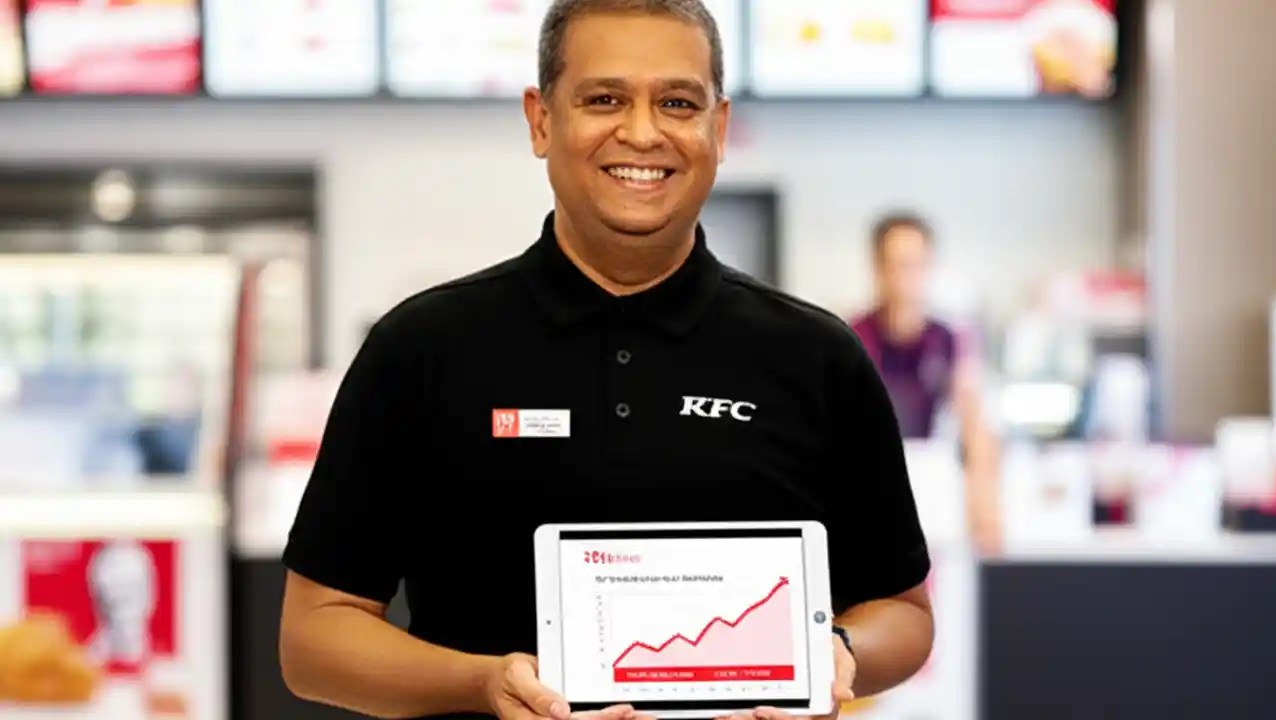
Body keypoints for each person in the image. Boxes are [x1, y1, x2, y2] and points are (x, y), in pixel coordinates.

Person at [278, 2, 934, 720]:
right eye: (604, 99)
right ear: (541, 120)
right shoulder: (421, 349)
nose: (643, 132)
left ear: (717, 128)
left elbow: (904, 613)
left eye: (678, 102)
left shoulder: (817, 358)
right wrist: (482, 684)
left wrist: (838, 650)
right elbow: (313, 637)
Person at [848, 214, 1002, 552]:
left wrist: (985, 509)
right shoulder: (852, 338)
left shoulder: (949, 341)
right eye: (899, 265)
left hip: (932, 494)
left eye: (918, 265)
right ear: (877, 268)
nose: (908, 278)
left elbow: (975, 427)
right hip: (870, 493)